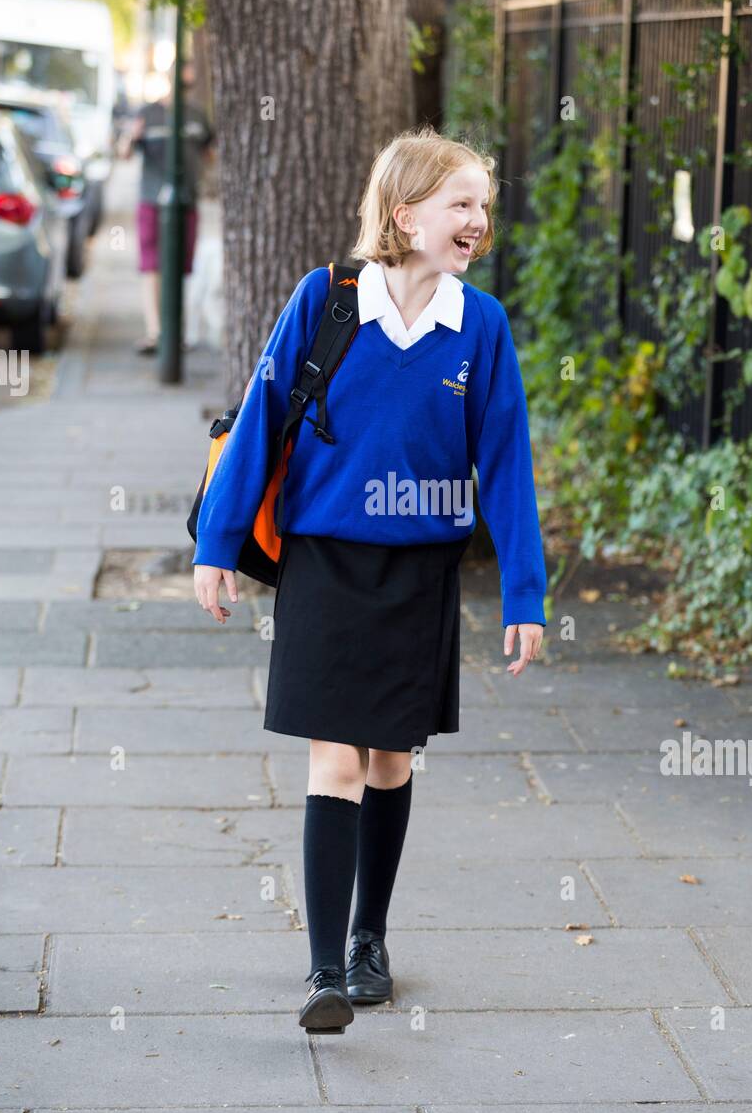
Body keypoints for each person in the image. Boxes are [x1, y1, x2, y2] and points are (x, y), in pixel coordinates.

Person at [191, 125, 547, 1035]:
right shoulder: (325, 301)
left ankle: (369, 941)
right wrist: (217, 546)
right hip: (325, 566)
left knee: (390, 759)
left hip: (421, 571)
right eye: (460, 203)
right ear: (405, 213)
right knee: (335, 760)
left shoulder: (483, 326)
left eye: (483, 205)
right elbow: (265, 414)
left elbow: (505, 464)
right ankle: (322, 973)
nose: (478, 220)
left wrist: (525, 596)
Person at [119, 60, 215, 354]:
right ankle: (155, 331)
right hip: (152, 199)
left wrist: (201, 174)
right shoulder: (147, 113)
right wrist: (130, 136)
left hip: (187, 201)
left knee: (182, 266)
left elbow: (210, 153)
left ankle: (175, 330)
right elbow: (123, 153)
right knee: (153, 265)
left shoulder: (197, 115)